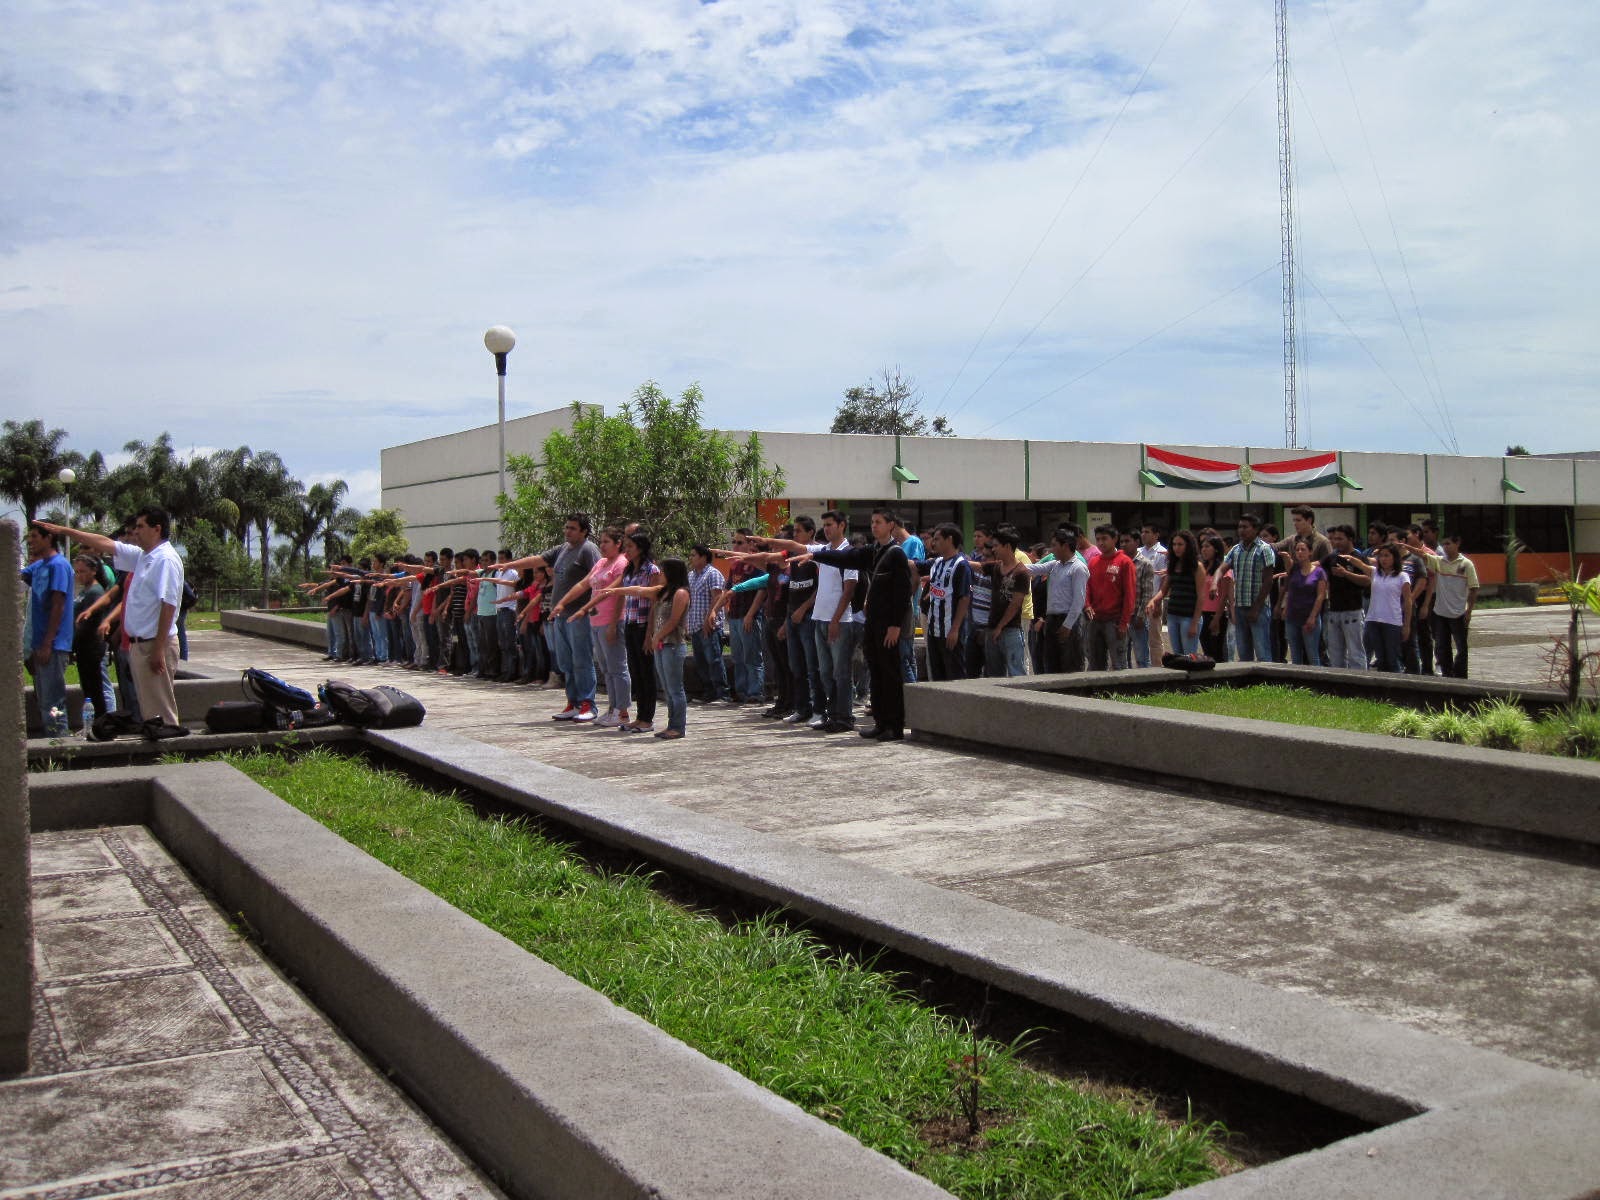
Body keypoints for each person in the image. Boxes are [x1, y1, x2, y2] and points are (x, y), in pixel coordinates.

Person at [41, 508, 185, 727]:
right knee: (150, 712)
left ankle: (170, 744)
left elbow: (169, 605)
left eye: (141, 527)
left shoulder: (165, 559)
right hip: (141, 645)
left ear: (157, 529)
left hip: (155, 644)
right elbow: (105, 543)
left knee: (161, 713)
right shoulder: (143, 556)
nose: (136, 532)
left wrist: (158, 649)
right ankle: (157, 743)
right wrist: (65, 531)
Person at [796, 508, 912, 740]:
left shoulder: (896, 553)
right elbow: (846, 557)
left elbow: (902, 592)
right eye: (872, 522)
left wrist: (895, 625)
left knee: (890, 674)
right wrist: (815, 556)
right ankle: (880, 722)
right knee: (876, 673)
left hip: (888, 625)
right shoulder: (873, 551)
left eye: (879, 522)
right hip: (873, 622)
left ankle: (894, 726)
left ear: (891, 525)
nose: (874, 526)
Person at [499, 515, 601, 720]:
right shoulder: (562, 549)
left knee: (581, 660)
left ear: (584, 531)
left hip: (578, 615)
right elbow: (538, 559)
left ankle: (588, 705)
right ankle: (573, 702)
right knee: (566, 662)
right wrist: (509, 565)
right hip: (560, 616)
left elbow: (597, 578)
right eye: (566, 527)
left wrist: (590, 608)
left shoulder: (588, 550)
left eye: (572, 528)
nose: (567, 531)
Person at [22, 522, 74, 736]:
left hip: (53, 644)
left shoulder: (58, 565)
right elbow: (16, 576)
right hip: (38, 643)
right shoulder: (38, 566)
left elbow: (58, 605)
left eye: (35, 536)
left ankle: (59, 743)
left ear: (49, 538)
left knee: (54, 702)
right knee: (44, 701)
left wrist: (47, 643)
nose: (30, 541)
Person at [1020, 526, 1087, 673]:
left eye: (1054, 545)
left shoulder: (1078, 568)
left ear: (1065, 546)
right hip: (1052, 620)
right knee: (1051, 662)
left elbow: (1079, 601)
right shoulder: (1055, 565)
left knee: (1070, 663)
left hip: (1068, 620)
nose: (1051, 550)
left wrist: (1068, 625)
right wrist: (1011, 564)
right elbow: (1033, 569)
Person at [919, 523, 973, 680]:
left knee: (954, 676)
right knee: (937, 676)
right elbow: (915, 566)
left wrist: (955, 629)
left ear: (949, 539)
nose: (933, 543)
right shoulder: (937, 563)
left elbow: (964, 598)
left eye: (937, 539)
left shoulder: (961, 565)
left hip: (950, 631)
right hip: (933, 630)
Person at [1222, 513, 1278, 662]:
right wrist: (1215, 582)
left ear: (1255, 529)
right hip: (1240, 607)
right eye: (1240, 527)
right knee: (1243, 653)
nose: (1241, 530)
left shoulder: (1264, 549)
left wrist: (1256, 608)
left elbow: (1268, 581)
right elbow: (1223, 567)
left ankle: (1265, 677)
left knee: (1262, 653)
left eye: (1245, 527)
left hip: (1259, 608)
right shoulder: (1236, 549)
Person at [1422, 533, 1479, 678]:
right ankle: (1447, 674)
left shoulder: (1466, 564)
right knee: (1442, 646)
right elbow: (1421, 554)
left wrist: (1469, 611)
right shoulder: (1439, 562)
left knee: (1461, 647)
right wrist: (1405, 546)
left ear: (1457, 543)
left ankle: (1460, 676)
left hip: (1458, 614)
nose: (1445, 547)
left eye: (1448, 544)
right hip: (1440, 613)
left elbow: (1473, 589)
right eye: (1444, 544)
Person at [1350, 544, 1412, 673]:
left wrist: (1406, 625)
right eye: (1381, 556)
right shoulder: (1374, 572)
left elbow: (1408, 601)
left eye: (1387, 556)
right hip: (1373, 620)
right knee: (1380, 658)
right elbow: (1361, 564)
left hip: (1392, 622)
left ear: (1394, 558)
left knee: (1392, 659)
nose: (1383, 559)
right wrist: (1349, 558)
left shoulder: (1402, 576)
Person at [1084, 524, 1135, 671]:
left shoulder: (1125, 562)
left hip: (1115, 622)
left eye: (1104, 539)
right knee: (1095, 664)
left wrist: (1124, 623)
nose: (1101, 543)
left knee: (1119, 664)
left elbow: (1129, 594)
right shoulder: (1093, 562)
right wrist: (1087, 605)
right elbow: (1087, 588)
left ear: (1115, 539)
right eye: (1098, 539)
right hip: (1095, 621)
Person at [685, 544, 730, 704]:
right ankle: (709, 692)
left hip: (710, 625)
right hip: (695, 625)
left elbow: (717, 597)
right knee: (701, 661)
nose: (691, 558)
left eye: (694, 555)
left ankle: (722, 693)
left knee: (714, 660)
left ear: (704, 557)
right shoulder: (691, 575)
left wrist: (708, 620)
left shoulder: (712, 573)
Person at [1149, 529, 1205, 656]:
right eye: (1174, 544)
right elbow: (1164, 590)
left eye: (1180, 544)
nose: (1176, 548)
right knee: (1177, 656)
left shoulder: (1197, 567)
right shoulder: (1173, 565)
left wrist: (1194, 623)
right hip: (1173, 615)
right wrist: (1153, 600)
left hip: (1189, 617)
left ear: (1188, 546)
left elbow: (1201, 596)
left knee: (1189, 656)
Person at [1322, 526, 1369, 671]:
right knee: (1335, 654)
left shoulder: (1358, 558)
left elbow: (1367, 580)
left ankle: (1359, 682)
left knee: (1355, 653)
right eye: (1334, 539)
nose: (1336, 542)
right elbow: (1317, 566)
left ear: (1350, 539)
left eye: (1340, 539)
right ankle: (1338, 682)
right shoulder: (1332, 557)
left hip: (1353, 612)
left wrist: (1346, 574)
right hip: (1334, 611)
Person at [71, 554, 110, 722]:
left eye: (83, 571)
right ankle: (94, 723)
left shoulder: (95, 591)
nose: (79, 575)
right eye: (77, 572)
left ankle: (101, 723)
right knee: (88, 688)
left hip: (91, 647)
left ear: (93, 571)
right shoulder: (85, 590)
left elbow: (86, 624)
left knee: (95, 689)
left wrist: (72, 644)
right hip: (83, 648)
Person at [1279, 536, 1328, 666]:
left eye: (1303, 549)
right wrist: (1285, 608)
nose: (1300, 552)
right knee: (1295, 656)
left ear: (1310, 552)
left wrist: (1312, 617)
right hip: (1292, 617)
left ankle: (1316, 678)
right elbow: (1290, 590)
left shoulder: (1319, 572)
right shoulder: (1294, 570)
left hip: (1309, 617)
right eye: (1297, 550)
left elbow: (1320, 596)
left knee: (1312, 654)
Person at [1199, 535, 1231, 662]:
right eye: (1202, 547)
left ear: (1216, 549)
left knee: (1217, 652)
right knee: (1206, 649)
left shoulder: (1223, 569)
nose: (1204, 550)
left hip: (1216, 614)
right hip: (1202, 614)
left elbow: (1224, 596)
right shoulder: (1203, 568)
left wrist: (1217, 618)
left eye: (1207, 546)